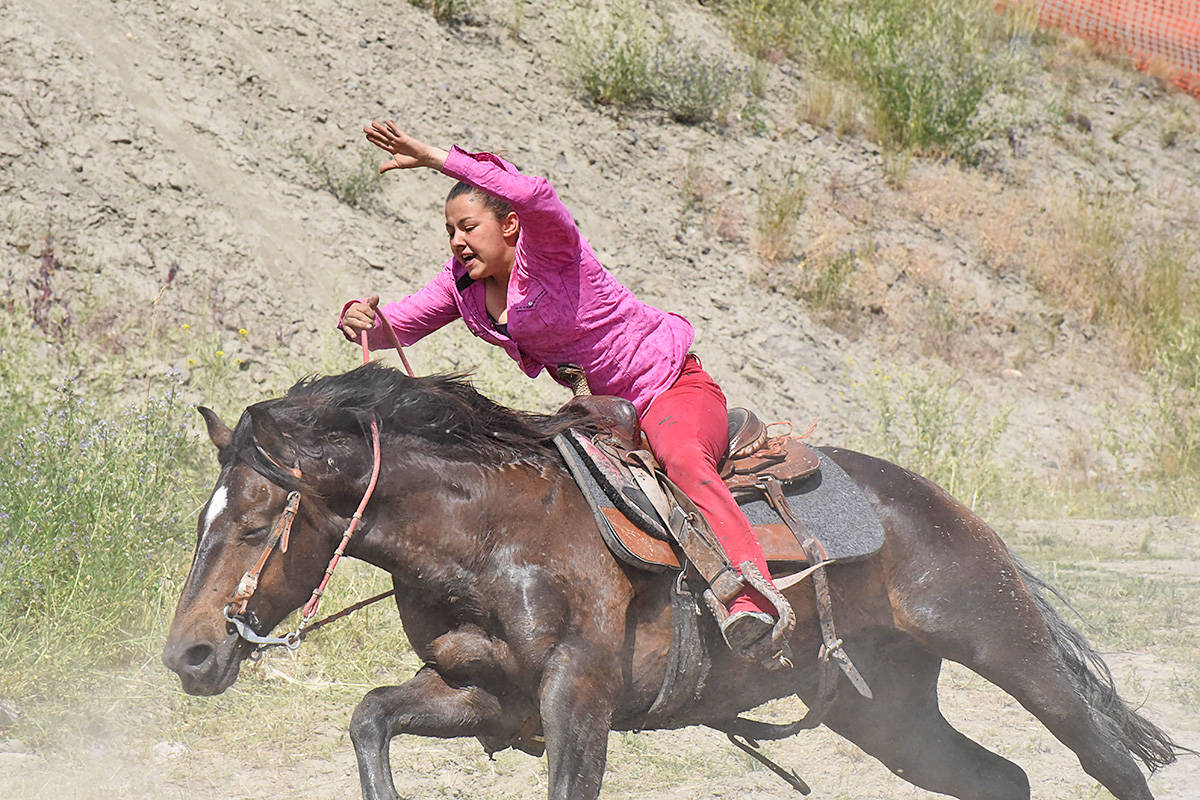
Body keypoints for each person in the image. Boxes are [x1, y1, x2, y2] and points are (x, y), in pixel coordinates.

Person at [338, 120, 779, 655]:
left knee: (683, 459)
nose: (456, 241)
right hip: (600, 416)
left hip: (668, 388)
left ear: (509, 225)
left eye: (468, 226)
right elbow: (394, 328)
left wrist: (435, 157)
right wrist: (360, 317)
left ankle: (753, 596)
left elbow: (536, 192)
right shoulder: (462, 286)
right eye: (449, 230)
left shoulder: (551, 248)